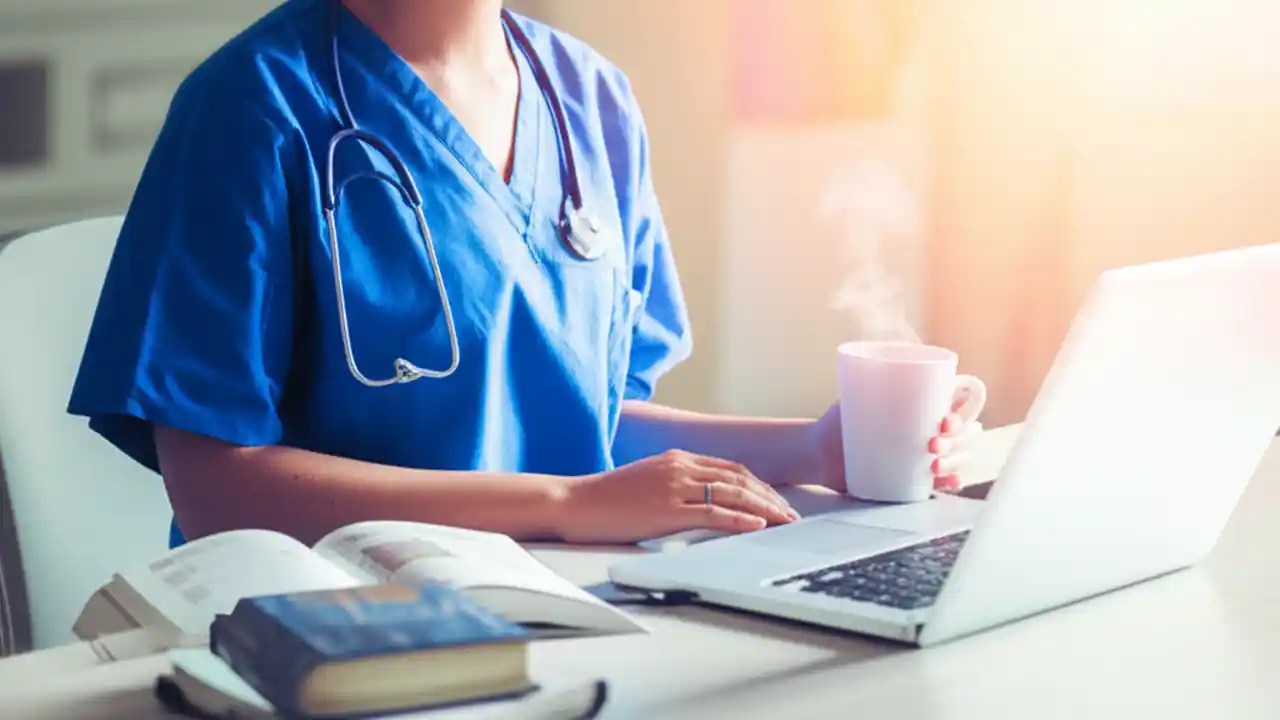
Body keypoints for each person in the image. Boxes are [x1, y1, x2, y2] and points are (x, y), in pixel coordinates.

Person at [67, 0, 980, 548]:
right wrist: (567, 505)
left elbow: (582, 420)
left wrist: (814, 450)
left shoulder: (591, 98)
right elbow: (217, 490)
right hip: (325, 632)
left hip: (564, 607)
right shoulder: (251, 107)